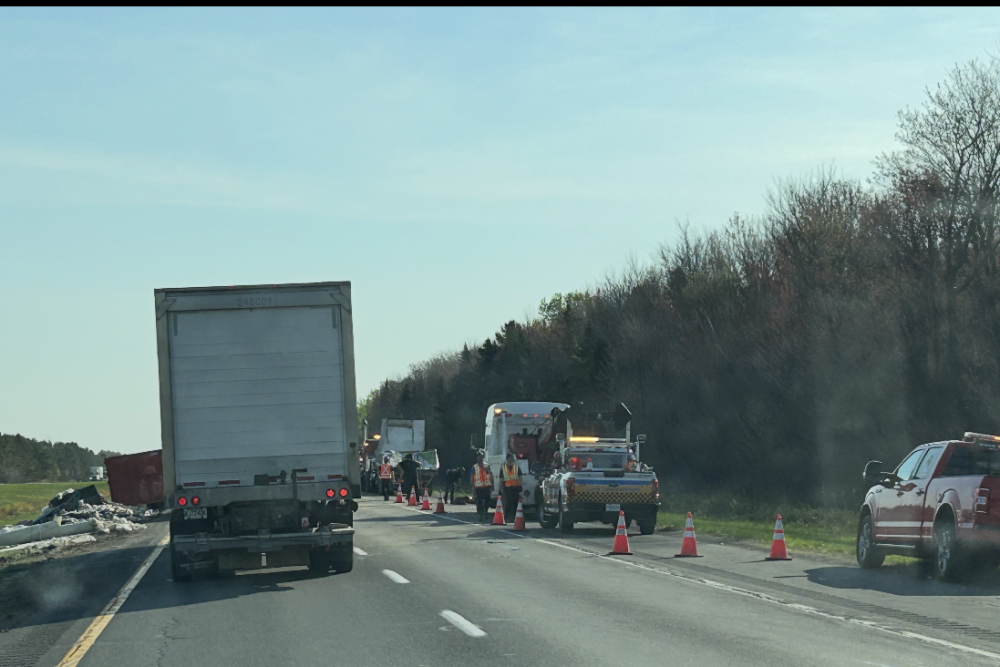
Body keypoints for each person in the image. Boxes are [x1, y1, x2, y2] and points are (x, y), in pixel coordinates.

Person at [470, 452, 493, 522]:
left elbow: (491, 475)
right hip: (478, 487)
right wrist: (472, 486)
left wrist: (492, 484)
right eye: (479, 457)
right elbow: (471, 477)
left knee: (487, 501)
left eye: (481, 457)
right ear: (477, 458)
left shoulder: (487, 466)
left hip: (487, 486)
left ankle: (486, 512)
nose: (480, 458)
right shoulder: (474, 467)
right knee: (479, 502)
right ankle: (481, 515)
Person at [500, 452, 522, 524]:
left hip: (515, 487)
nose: (510, 462)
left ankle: (514, 516)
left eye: (511, 460)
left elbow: (519, 477)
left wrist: (520, 485)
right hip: (507, 488)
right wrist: (500, 488)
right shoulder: (503, 468)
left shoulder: (516, 467)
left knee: (515, 503)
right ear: (506, 460)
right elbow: (501, 478)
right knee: (508, 503)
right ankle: (508, 517)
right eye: (509, 460)